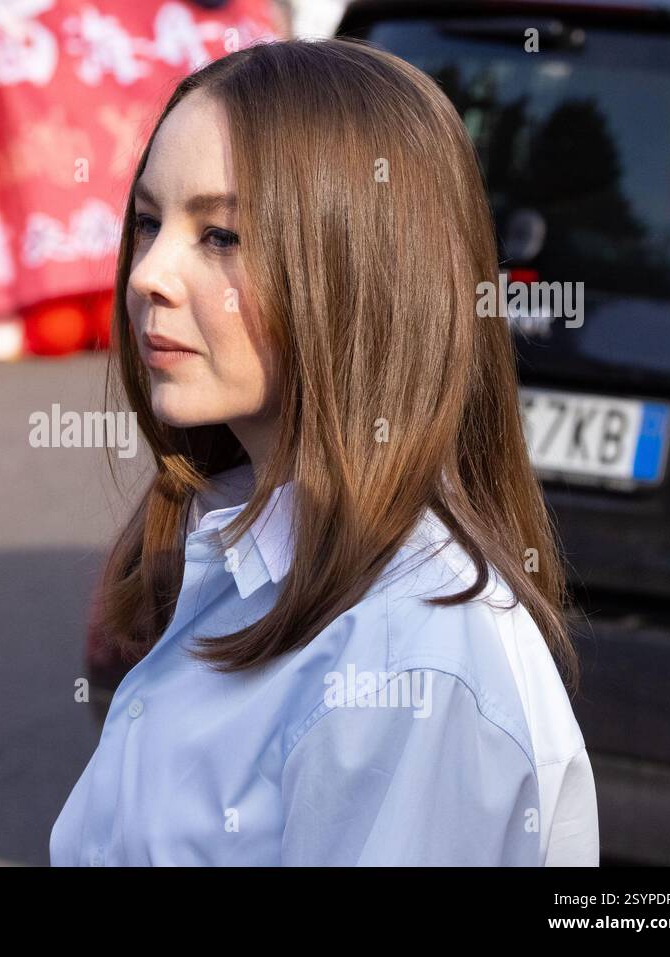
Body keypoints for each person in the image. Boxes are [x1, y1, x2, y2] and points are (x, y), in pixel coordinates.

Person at [49, 37, 599, 866]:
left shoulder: (417, 657)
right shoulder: (236, 549)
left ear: (362, 267)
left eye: (221, 235)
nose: (148, 274)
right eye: (150, 222)